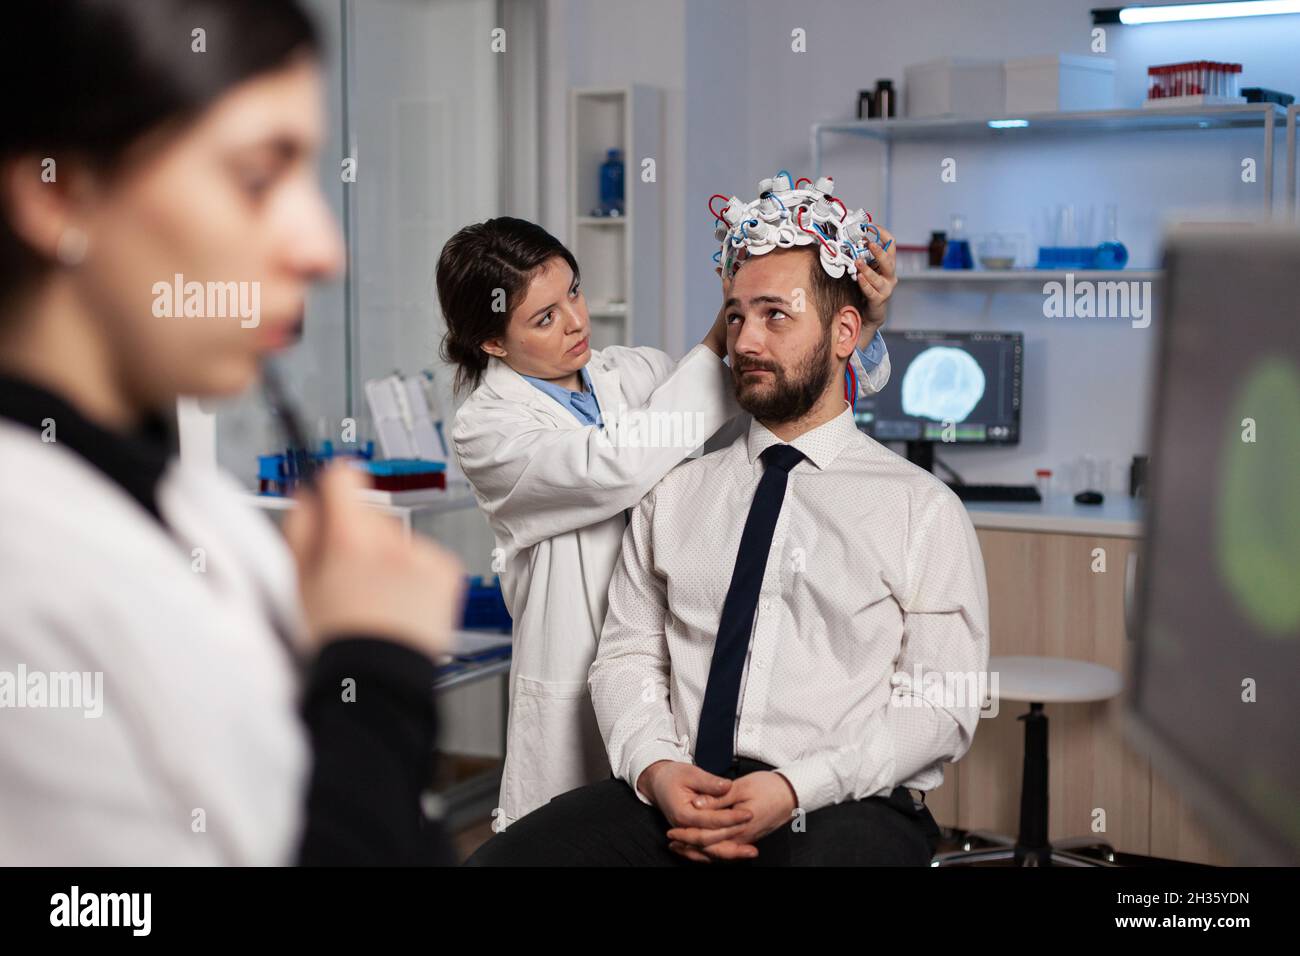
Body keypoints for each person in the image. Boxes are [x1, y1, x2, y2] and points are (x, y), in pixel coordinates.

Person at [0, 0, 464, 865]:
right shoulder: (21, 580)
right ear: (58, 192)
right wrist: (379, 670)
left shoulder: (196, 510)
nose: (324, 249)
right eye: (257, 177)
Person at [465, 241, 989, 866]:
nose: (742, 343)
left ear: (844, 330)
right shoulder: (667, 490)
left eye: (776, 314)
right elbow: (627, 653)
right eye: (734, 317)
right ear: (494, 343)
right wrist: (657, 769)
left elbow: (939, 706)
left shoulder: (921, 508)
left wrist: (795, 786)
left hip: (839, 799)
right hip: (681, 781)